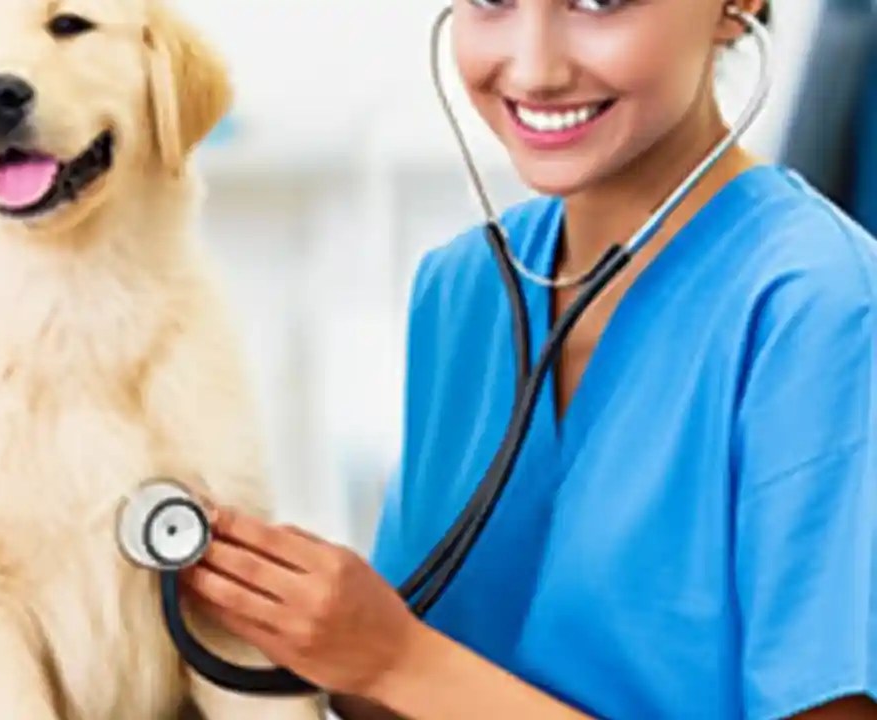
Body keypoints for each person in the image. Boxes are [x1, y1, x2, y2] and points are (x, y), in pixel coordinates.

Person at [179, 0, 877, 717]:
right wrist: (286, 616)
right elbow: (383, 692)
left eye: (600, 3)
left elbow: (402, 666)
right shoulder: (465, 291)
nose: (536, 68)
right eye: (491, 0)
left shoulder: (821, 309)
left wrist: (397, 661)